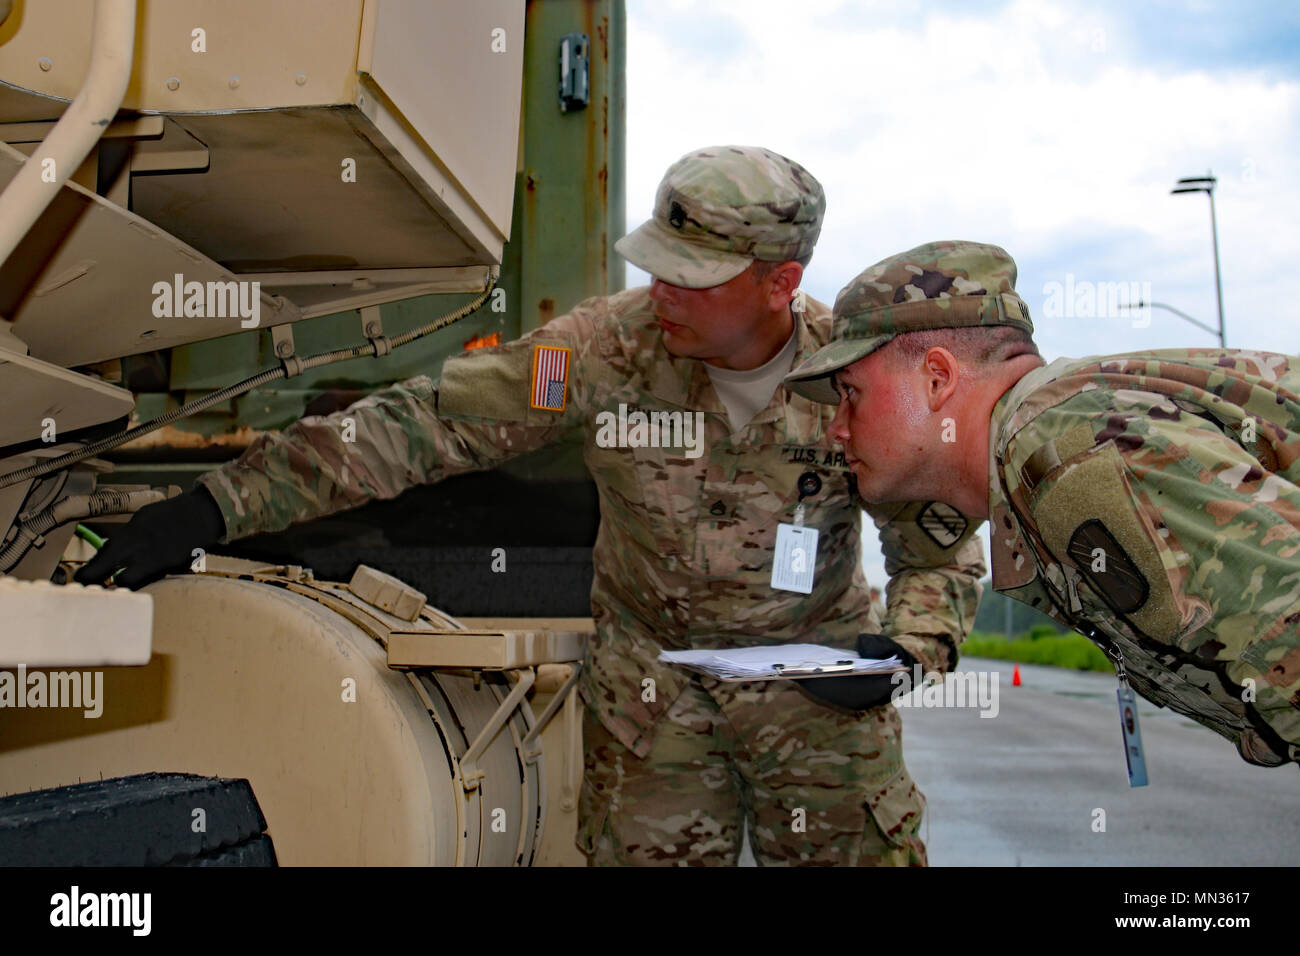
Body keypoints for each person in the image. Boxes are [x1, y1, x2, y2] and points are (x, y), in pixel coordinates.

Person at [77, 148, 986, 864]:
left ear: (779, 283)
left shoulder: (856, 379)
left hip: (816, 701)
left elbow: (936, 544)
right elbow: (425, 426)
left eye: (692, 276)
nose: (660, 291)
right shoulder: (601, 351)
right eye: (657, 264)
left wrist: (907, 650)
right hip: (651, 701)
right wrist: (212, 510)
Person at [784, 239, 1300, 768]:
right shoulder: (1036, 458)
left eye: (851, 393)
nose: (838, 429)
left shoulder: (1064, 451)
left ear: (937, 378)